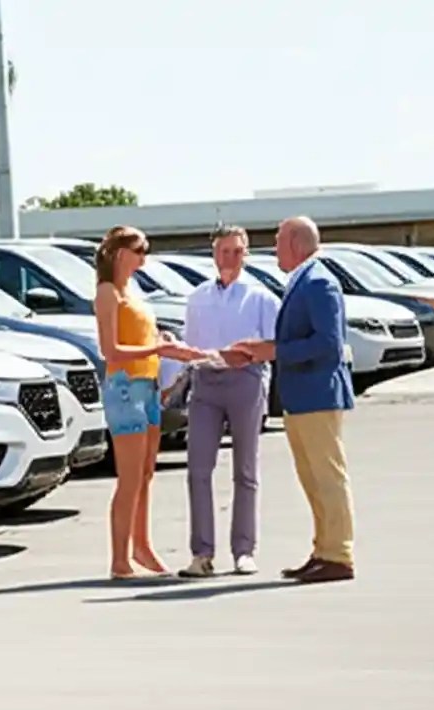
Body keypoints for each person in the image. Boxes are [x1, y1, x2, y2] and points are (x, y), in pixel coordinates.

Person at [231, 216, 356, 583]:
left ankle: (339, 554)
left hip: (318, 395)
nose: (274, 247)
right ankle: (324, 550)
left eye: (278, 240)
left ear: (297, 244)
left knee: (327, 477)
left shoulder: (318, 283)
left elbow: (328, 344)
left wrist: (273, 350)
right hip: (302, 398)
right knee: (312, 478)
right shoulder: (302, 280)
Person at [93, 225, 207, 579]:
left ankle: (141, 546)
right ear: (119, 253)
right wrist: (160, 348)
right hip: (125, 387)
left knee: (145, 474)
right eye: (139, 250)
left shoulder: (134, 291)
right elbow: (110, 350)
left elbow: (142, 336)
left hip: (148, 385)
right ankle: (119, 559)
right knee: (129, 478)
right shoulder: (108, 293)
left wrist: (162, 341)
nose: (144, 257)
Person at [177, 226, 280, 579]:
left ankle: (244, 550)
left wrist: (248, 357)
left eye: (238, 251)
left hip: (245, 382)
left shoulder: (261, 296)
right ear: (213, 254)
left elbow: (274, 346)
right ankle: (201, 553)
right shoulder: (198, 297)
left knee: (245, 470)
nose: (231, 258)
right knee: (198, 470)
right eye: (225, 251)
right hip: (206, 381)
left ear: (246, 253)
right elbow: (189, 346)